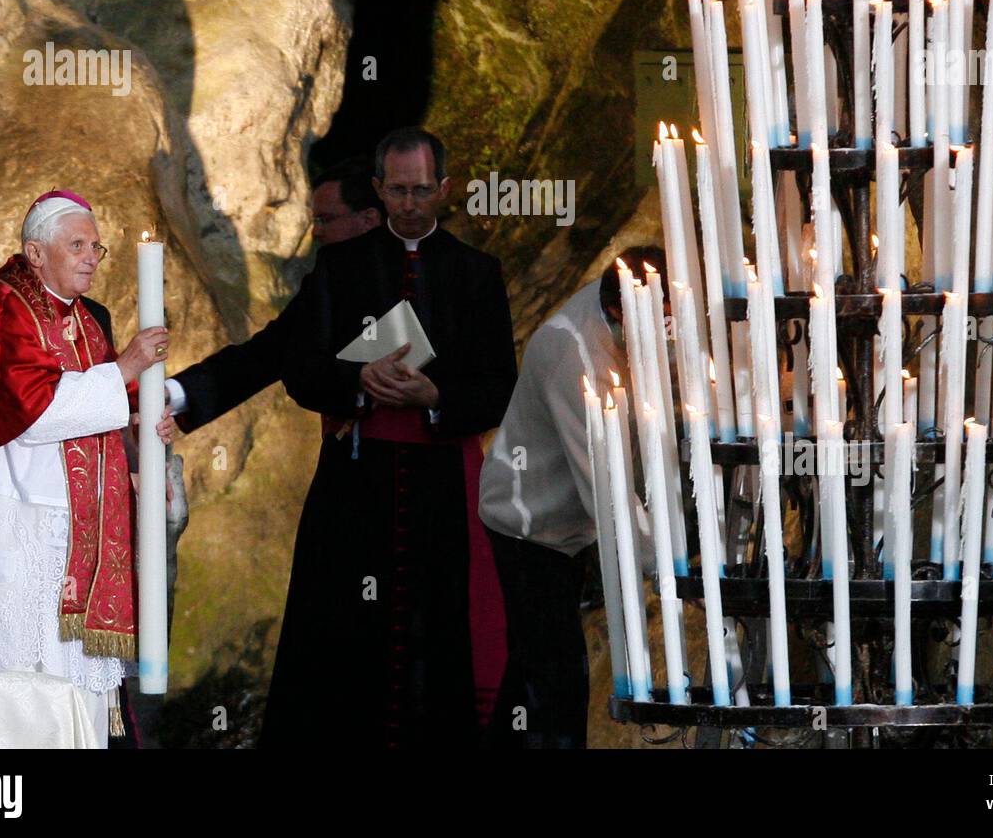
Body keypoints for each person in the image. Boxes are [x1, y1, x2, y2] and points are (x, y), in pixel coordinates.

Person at [261, 127, 517, 749]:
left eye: (423, 190)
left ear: (445, 189)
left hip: (440, 488)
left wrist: (437, 398)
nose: (410, 203)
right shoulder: (341, 265)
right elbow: (301, 369)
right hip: (358, 483)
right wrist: (357, 380)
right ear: (378, 189)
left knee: (437, 634)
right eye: (398, 190)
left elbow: (500, 384)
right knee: (345, 632)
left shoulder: (477, 274)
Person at [0, 190, 175, 747]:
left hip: (74, 532)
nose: (92, 256)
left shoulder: (88, 317)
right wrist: (127, 369)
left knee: (73, 683)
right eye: (77, 245)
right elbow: (34, 409)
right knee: (14, 678)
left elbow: (114, 398)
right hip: (12, 532)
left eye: (97, 246)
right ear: (35, 252)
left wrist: (147, 422)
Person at [477, 246, 664, 748]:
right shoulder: (573, 356)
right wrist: (667, 569)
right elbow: (604, 489)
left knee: (530, 671)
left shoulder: (629, 310)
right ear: (622, 312)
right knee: (558, 675)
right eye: (661, 321)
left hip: (569, 525)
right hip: (527, 523)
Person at [167, 156, 381, 431]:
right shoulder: (325, 286)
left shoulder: (420, 274)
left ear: (368, 219)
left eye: (325, 219)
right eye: (315, 220)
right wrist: (173, 393)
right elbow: (265, 354)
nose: (316, 232)